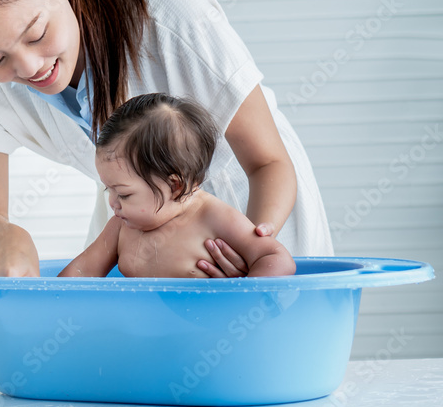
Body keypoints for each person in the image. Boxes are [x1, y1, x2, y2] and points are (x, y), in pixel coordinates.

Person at [0, 0, 333, 278]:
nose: (27, 67)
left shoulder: (173, 19)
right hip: (138, 231)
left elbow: (268, 162)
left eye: (36, 35)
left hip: (250, 213)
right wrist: (7, 237)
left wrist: (248, 252)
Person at [58, 93, 296, 279]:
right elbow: (82, 271)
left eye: (124, 194)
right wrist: (47, 301)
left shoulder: (214, 217)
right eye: (108, 189)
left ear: (175, 187)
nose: (112, 203)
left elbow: (275, 257)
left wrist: (245, 298)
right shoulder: (120, 228)